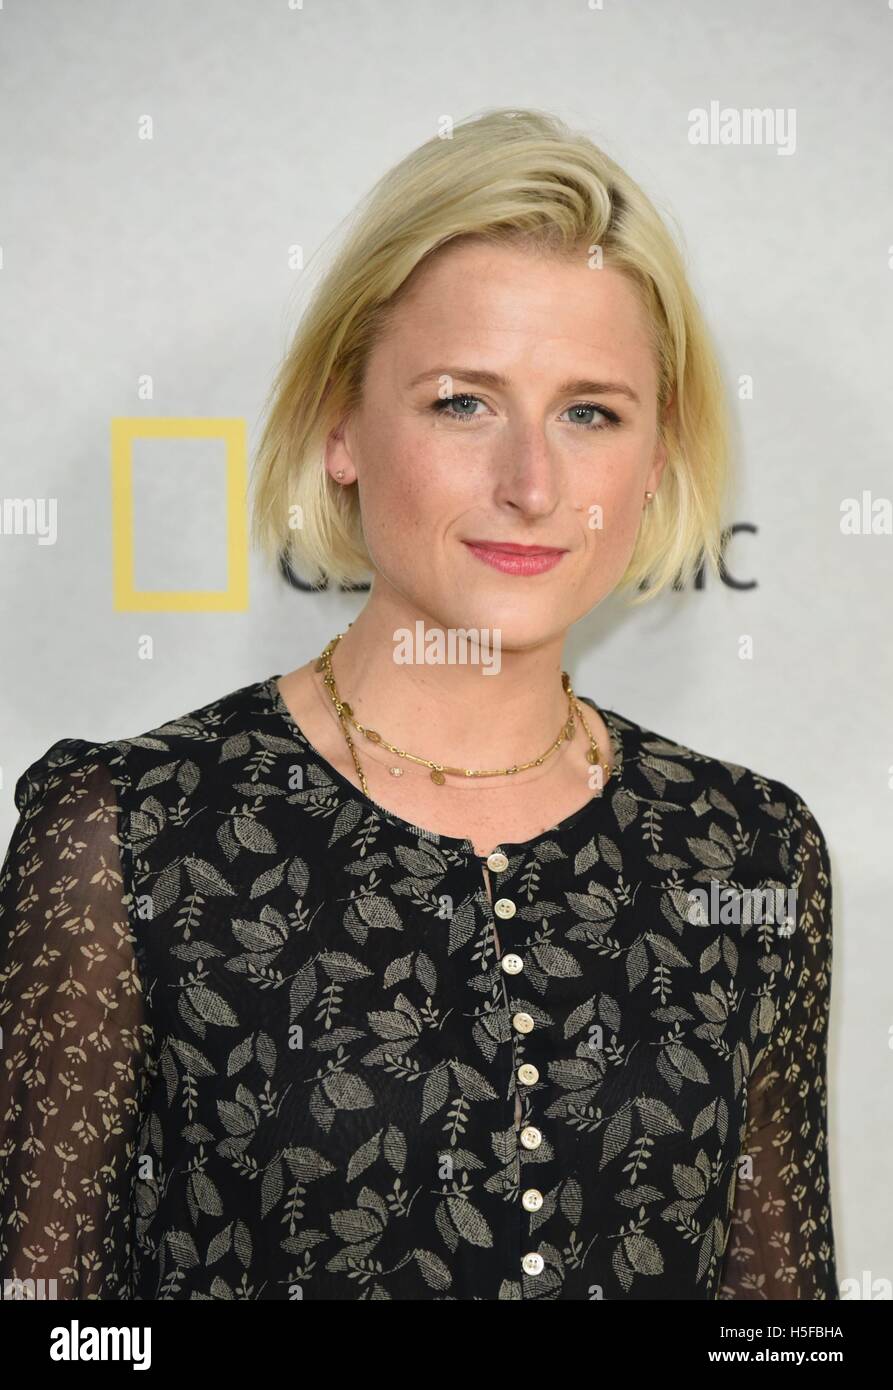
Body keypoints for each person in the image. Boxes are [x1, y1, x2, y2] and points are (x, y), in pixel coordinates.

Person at [0, 108, 836, 1300]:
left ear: (653, 462)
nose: (531, 484)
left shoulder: (750, 852)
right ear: (340, 424)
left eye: (589, 411)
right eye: (461, 402)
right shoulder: (131, 836)